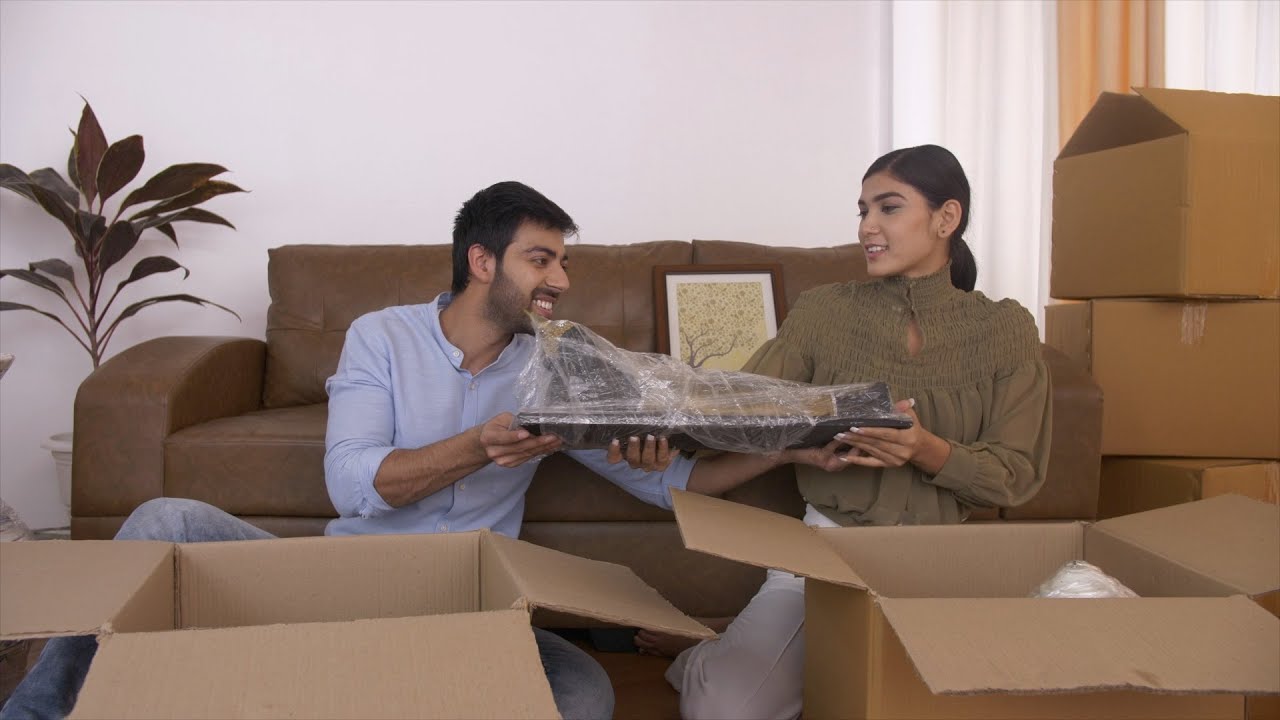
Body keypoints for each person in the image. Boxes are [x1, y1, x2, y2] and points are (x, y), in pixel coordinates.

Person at [0, 181, 786, 720]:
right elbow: (352, 485)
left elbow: (673, 486)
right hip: (345, 583)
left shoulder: (557, 367)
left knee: (584, 696)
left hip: (468, 606)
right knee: (164, 519)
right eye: (542, 259)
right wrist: (479, 445)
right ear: (483, 261)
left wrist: (788, 453)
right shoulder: (381, 336)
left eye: (564, 261)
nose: (562, 280)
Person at [637, 145, 1053, 720]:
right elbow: (741, 409)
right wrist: (658, 428)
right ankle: (708, 655)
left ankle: (748, 644)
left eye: (888, 208)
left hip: (941, 565)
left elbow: (1015, 476)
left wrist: (925, 449)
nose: (866, 228)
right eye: (862, 211)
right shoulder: (823, 311)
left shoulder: (1005, 328)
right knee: (721, 711)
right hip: (823, 556)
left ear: (946, 218)